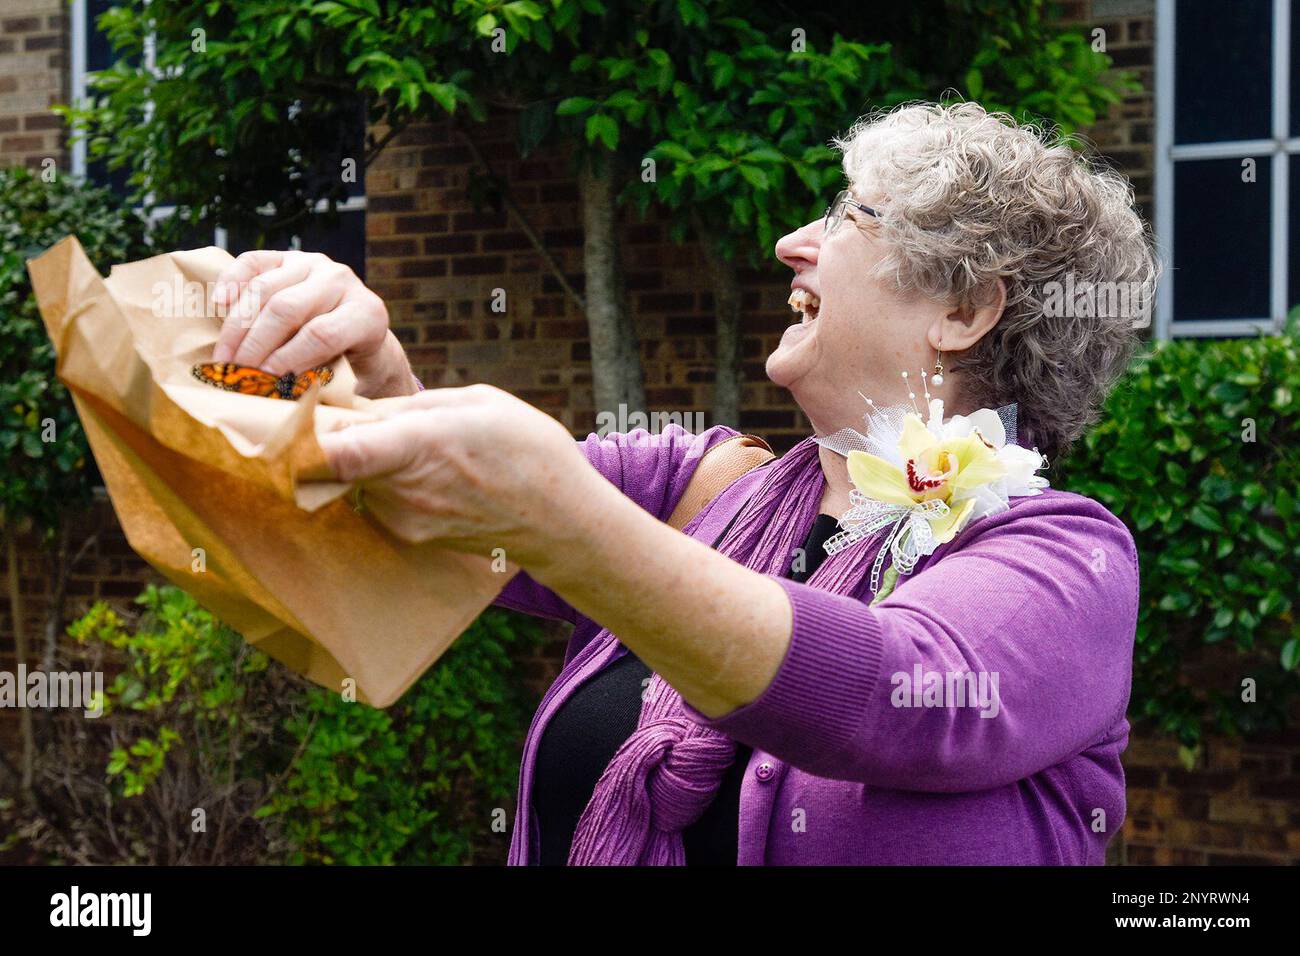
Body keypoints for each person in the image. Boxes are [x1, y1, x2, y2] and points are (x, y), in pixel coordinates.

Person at [210, 101, 1158, 865]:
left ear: (964, 309)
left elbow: (892, 690)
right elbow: (442, 513)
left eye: (847, 217)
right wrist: (372, 378)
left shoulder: (1068, 562)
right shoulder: (695, 484)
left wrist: (565, 519)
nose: (792, 242)